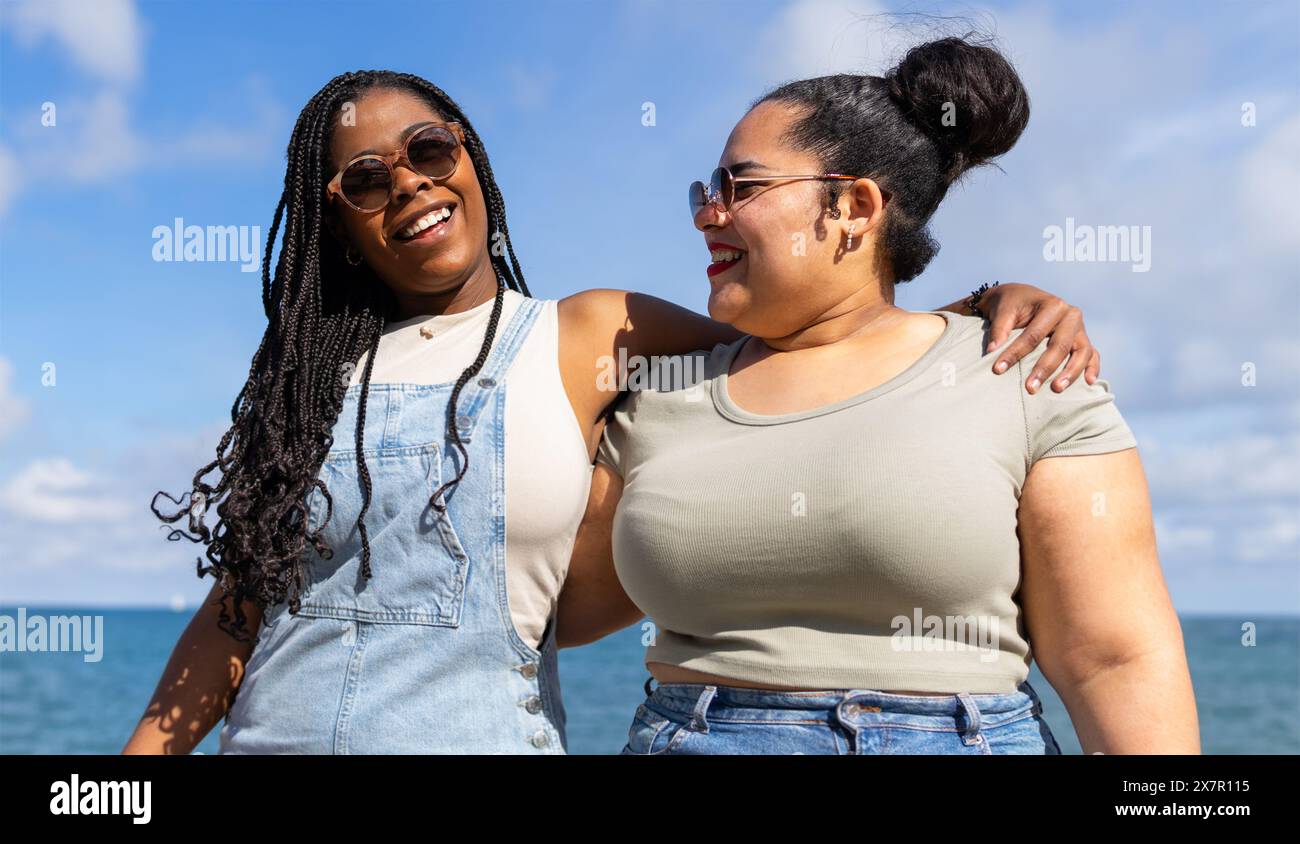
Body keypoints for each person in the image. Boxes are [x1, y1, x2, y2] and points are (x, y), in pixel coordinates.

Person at [123, 68, 1107, 754]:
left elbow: (806, 349)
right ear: (337, 220)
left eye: (428, 146)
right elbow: (240, 609)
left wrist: (979, 306)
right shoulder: (308, 385)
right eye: (367, 180)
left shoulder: (591, 333)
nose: (409, 182)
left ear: (468, 155)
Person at [561, 37, 1199, 754]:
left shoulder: (1025, 369)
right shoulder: (663, 394)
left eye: (740, 187)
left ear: (855, 205)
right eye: (704, 193)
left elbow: (1112, 658)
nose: (708, 214)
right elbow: (560, 611)